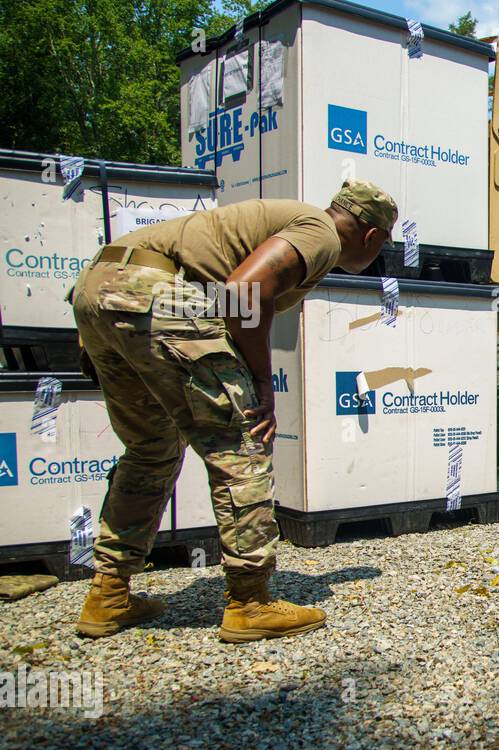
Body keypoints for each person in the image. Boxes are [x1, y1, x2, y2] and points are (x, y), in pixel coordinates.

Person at [71, 181, 398, 643]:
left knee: (151, 449)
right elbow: (243, 291)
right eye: (383, 243)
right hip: (153, 294)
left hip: (97, 291)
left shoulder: (293, 219)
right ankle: (250, 602)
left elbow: (233, 295)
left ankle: (108, 596)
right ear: (369, 235)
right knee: (243, 442)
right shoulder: (321, 233)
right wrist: (262, 385)